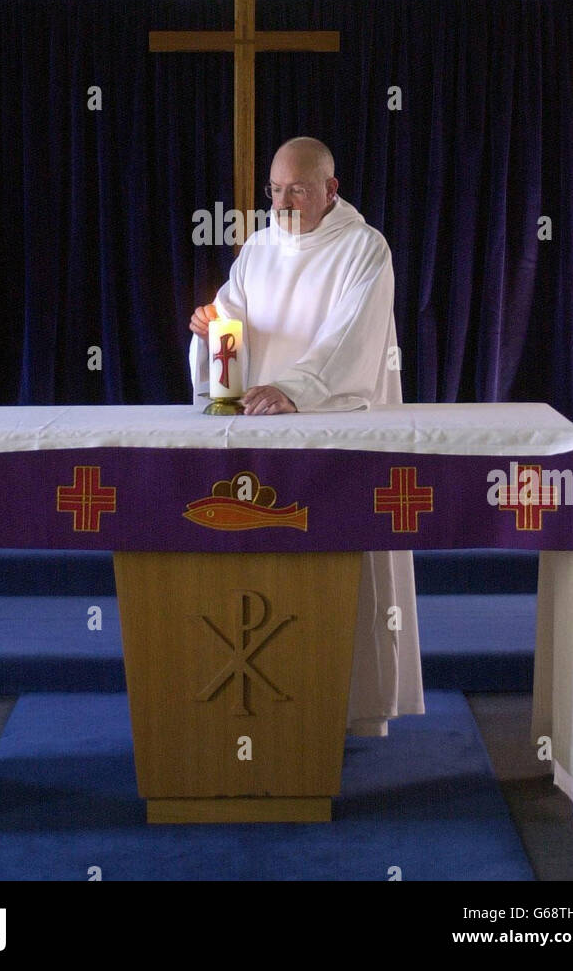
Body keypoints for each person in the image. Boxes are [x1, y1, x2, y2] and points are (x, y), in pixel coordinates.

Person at [189, 136, 425, 735]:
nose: (282, 200)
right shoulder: (259, 249)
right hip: (261, 439)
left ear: (330, 189)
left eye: (296, 188)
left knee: (342, 568)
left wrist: (297, 389)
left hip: (337, 441)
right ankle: (269, 704)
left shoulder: (364, 249)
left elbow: (351, 338)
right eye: (274, 189)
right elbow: (231, 328)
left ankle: (347, 712)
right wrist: (212, 331)